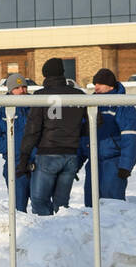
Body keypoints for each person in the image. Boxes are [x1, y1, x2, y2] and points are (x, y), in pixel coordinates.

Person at [16, 57, 85, 216]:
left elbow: (33, 130)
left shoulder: (41, 95)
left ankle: (46, 236)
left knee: (39, 201)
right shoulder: (78, 94)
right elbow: (93, 123)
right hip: (71, 155)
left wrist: (24, 158)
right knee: (61, 205)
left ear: (45, 74)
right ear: (62, 72)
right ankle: (62, 234)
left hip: (48, 153)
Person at [78, 68, 136, 207]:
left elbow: (132, 137)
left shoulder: (122, 105)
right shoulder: (92, 105)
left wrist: (125, 166)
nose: (96, 87)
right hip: (93, 163)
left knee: (112, 205)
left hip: (114, 163)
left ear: (110, 85)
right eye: (95, 84)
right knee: (91, 205)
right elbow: (83, 137)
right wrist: (76, 163)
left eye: (100, 83)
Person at [0, 74, 34, 211]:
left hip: (38, 164)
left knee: (41, 205)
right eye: (17, 88)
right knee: (18, 208)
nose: (22, 91)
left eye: (24, 87)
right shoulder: (1, 110)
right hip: (14, 165)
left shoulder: (36, 106)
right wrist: (7, 146)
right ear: (10, 89)